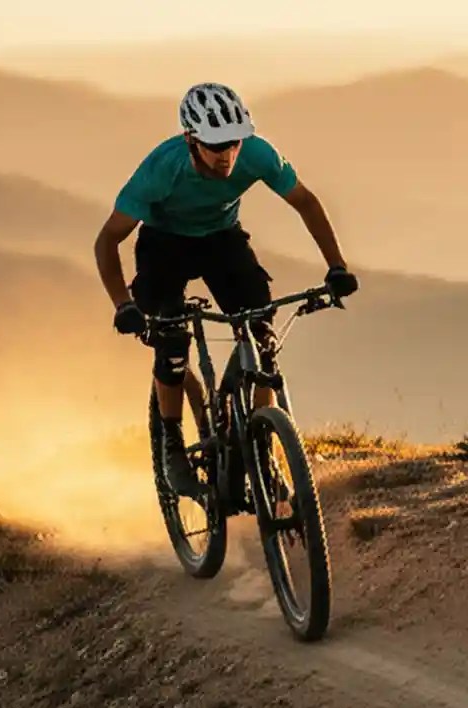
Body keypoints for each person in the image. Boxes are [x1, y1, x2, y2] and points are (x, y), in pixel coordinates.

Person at [92, 81, 357, 498]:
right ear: (190, 139)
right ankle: (173, 446)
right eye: (215, 145)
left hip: (222, 240)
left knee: (261, 336)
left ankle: (262, 451)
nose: (227, 153)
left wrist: (337, 266)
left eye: (233, 142)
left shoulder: (257, 153)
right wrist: (123, 304)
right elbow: (107, 240)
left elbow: (305, 202)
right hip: (164, 245)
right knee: (172, 344)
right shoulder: (162, 169)